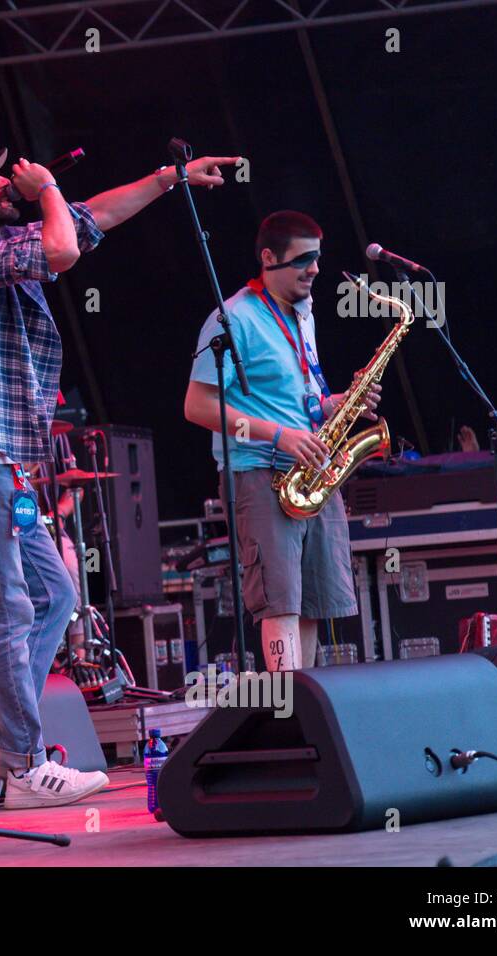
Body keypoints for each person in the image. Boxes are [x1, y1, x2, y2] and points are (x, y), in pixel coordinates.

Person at [0, 145, 237, 807]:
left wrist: (170, 177)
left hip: (4, 461)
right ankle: (25, 764)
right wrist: (49, 185)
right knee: (6, 613)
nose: (7, 183)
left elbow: (89, 219)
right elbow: (62, 250)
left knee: (55, 598)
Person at [183, 211, 380, 672]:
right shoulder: (231, 319)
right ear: (268, 258)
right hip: (260, 474)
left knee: (313, 602)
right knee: (281, 604)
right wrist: (278, 435)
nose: (315, 269)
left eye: (318, 258)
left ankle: (305, 708)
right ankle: (286, 714)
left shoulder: (301, 313)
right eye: (303, 260)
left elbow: (291, 400)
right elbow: (197, 407)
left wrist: (338, 404)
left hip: (312, 472)